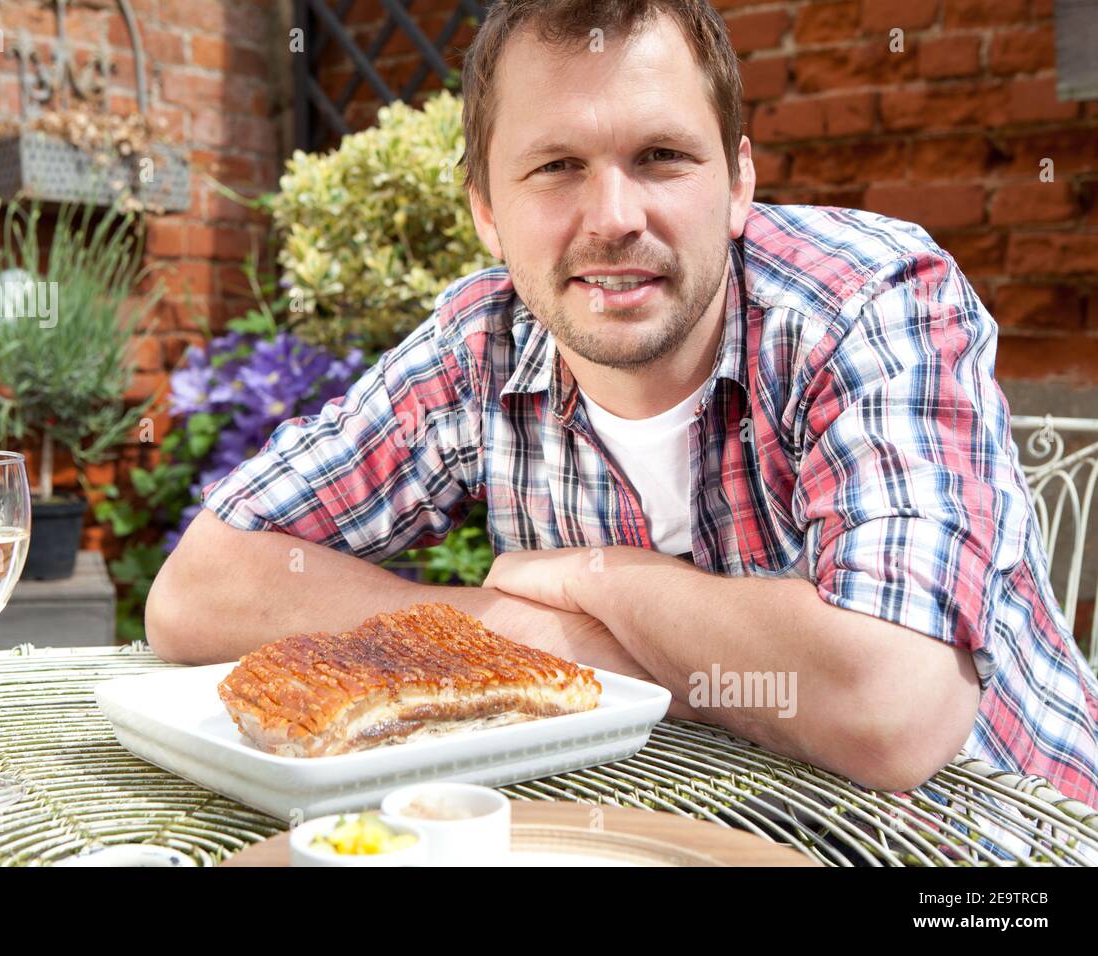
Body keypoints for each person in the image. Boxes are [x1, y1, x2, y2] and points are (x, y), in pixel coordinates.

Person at [147, 0, 1098, 808]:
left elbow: (893, 711)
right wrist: (522, 638)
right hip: (696, 826)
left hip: (995, 841)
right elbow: (197, 591)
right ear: (486, 207)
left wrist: (596, 577)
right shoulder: (480, 344)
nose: (613, 218)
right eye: (556, 166)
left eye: (660, 156)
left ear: (739, 182)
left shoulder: (869, 303)